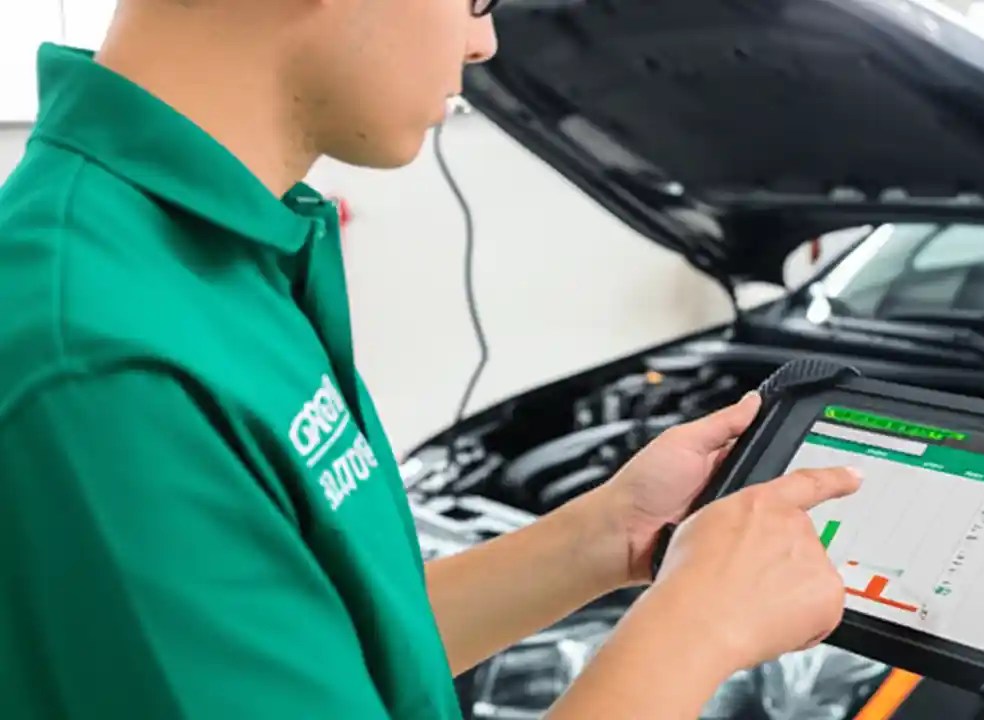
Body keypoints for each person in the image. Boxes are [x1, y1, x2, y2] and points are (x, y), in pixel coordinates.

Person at [0, 1, 862, 718]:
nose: (482, 40)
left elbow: (342, 656)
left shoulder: (208, 255)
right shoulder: (105, 365)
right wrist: (695, 628)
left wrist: (605, 535)